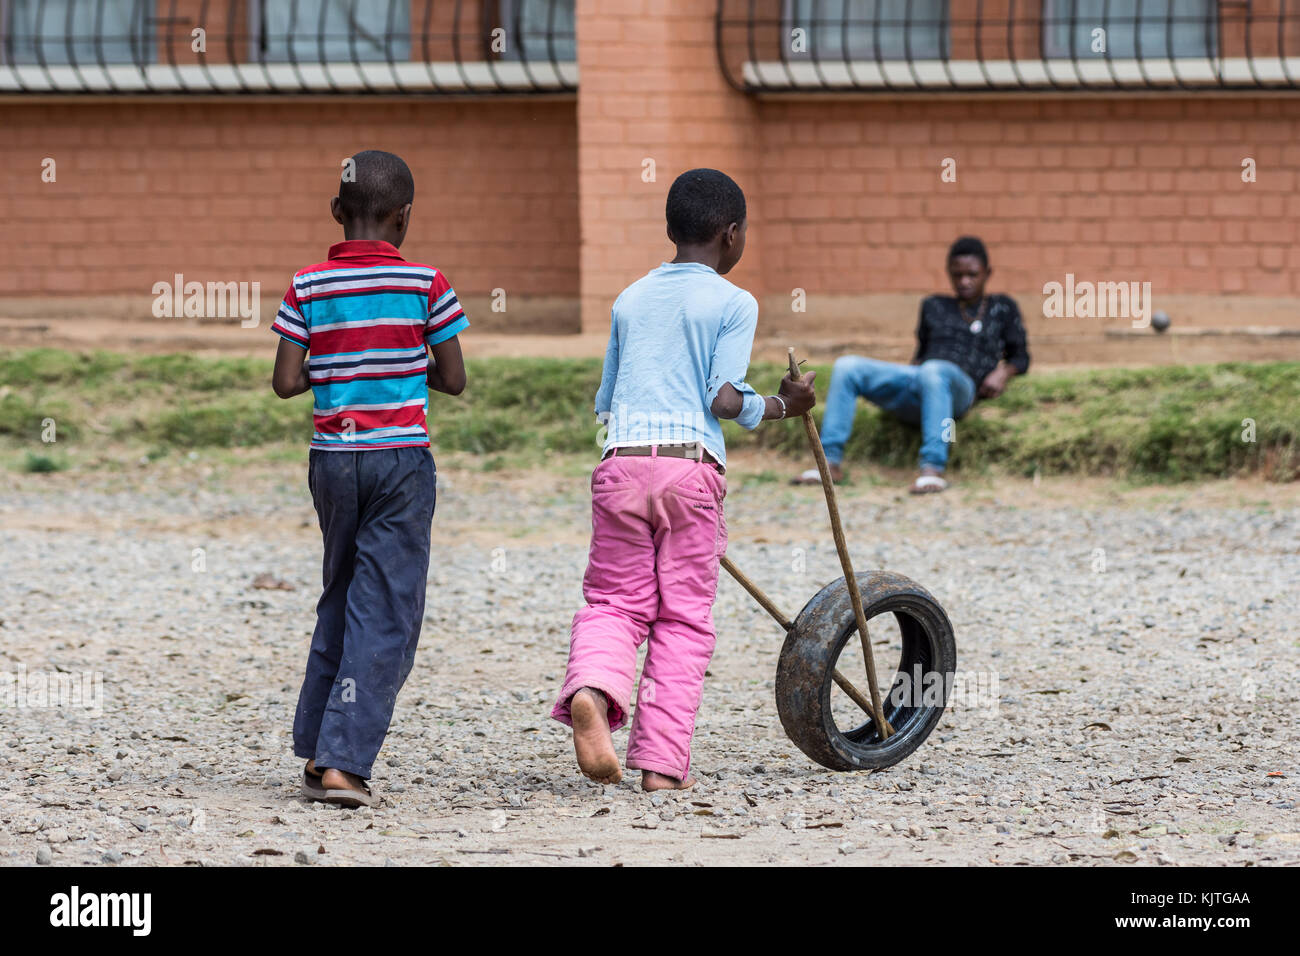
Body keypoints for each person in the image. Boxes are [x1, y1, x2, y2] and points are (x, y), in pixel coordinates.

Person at [551, 168, 816, 791]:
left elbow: (606, 399)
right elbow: (723, 400)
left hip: (619, 463)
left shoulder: (629, 298)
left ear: (671, 230)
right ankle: (662, 767)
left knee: (615, 602)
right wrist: (783, 406)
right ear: (731, 235)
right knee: (682, 620)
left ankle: (593, 690)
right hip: (689, 470)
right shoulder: (734, 301)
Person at [269, 150, 469, 807]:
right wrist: (409, 369)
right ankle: (345, 765)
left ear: (336, 212)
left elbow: (286, 382)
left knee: (343, 592)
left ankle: (319, 747)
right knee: (385, 608)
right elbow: (455, 378)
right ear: (404, 217)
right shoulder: (426, 283)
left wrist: (339, 371)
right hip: (400, 463)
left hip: (333, 461)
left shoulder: (307, 285)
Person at [792, 236, 1029, 494]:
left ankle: (932, 469)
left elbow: (1021, 357)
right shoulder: (933, 305)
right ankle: (828, 463)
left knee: (933, 371)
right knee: (847, 366)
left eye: (972, 274)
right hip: (922, 378)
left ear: (987, 273)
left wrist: (1003, 372)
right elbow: (920, 354)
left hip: (960, 389)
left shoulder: (1003, 307)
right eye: (957, 275)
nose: (964, 281)